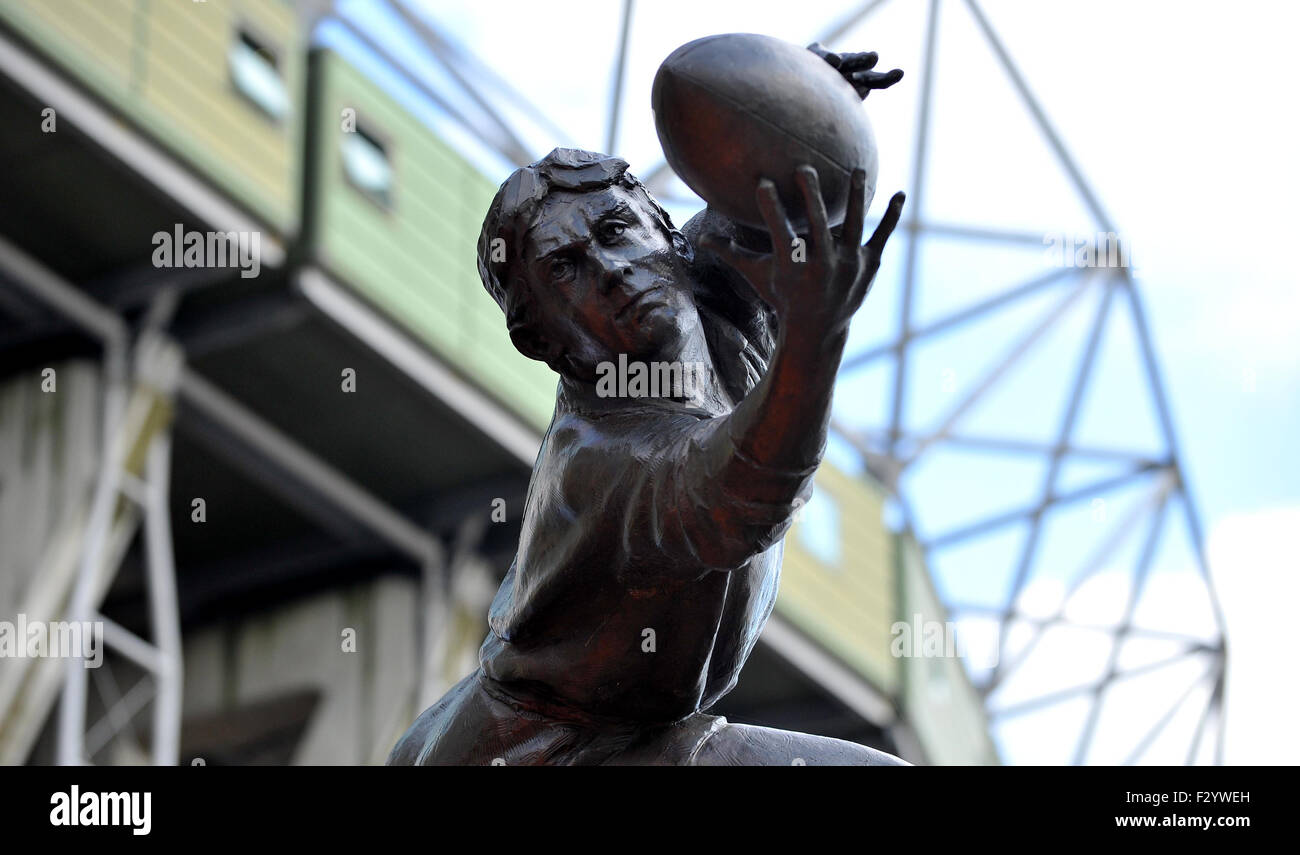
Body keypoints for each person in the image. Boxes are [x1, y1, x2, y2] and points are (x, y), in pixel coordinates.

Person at [390, 45, 907, 766]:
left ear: (664, 226)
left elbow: (755, 214)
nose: (612, 270)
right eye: (565, 271)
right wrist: (814, 340)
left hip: (645, 730)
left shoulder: (704, 284)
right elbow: (741, 499)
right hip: (554, 747)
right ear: (545, 341)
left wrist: (799, 100)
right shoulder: (595, 460)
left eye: (613, 231)